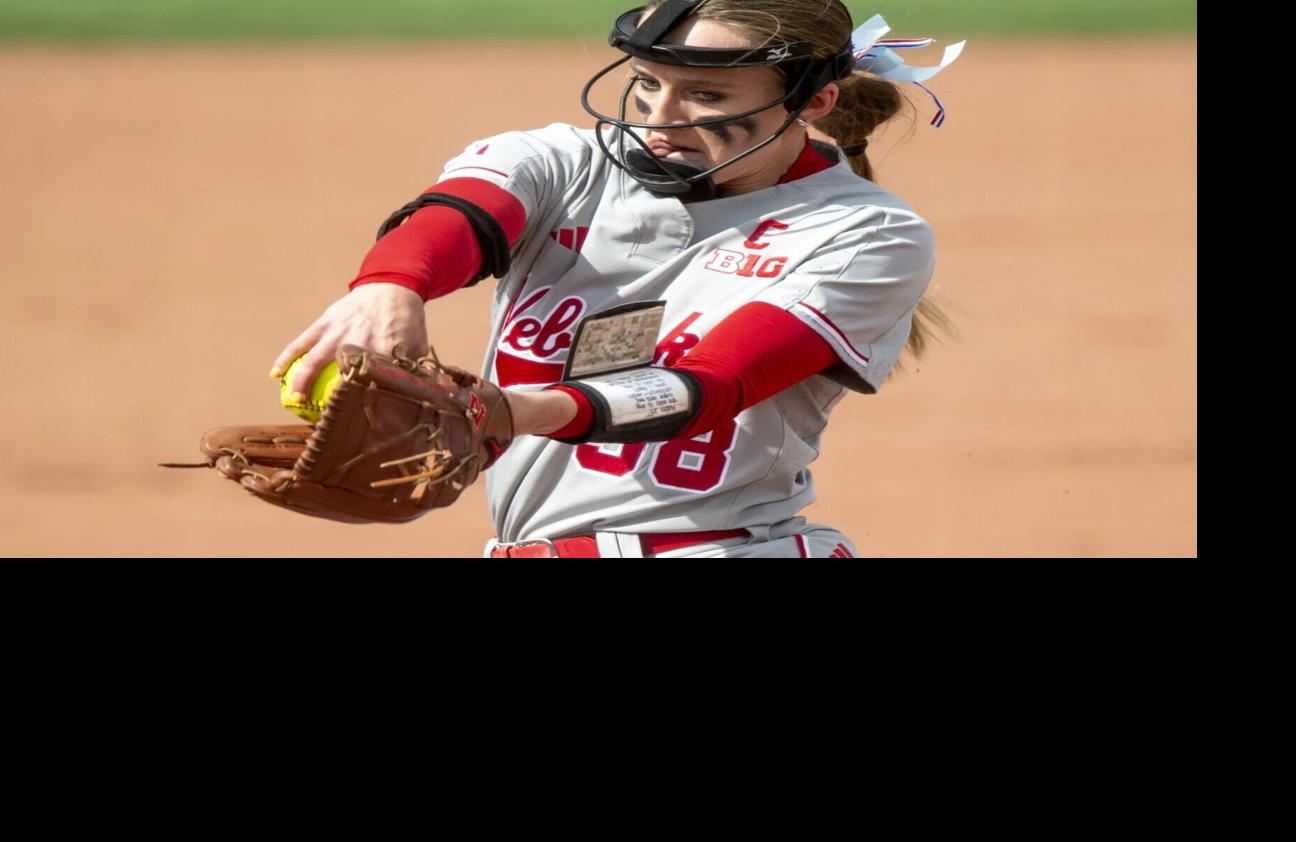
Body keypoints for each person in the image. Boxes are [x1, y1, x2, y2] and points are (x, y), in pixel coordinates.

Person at [268, 0, 964, 558]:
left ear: (812, 103)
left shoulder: (866, 235)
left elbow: (710, 386)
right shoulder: (568, 161)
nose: (659, 119)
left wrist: (507, 414)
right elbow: (463, 214)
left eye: (705, 93)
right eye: (647, 83)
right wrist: (389, 286)